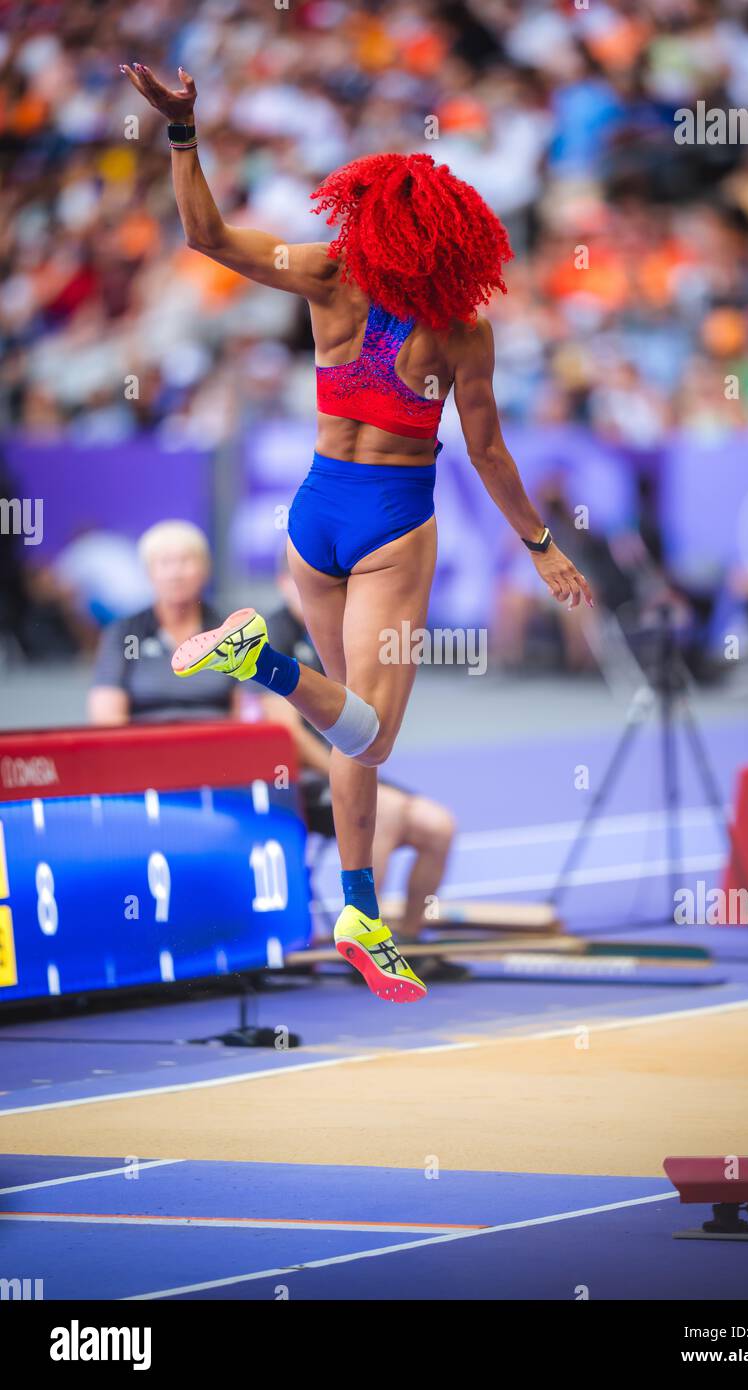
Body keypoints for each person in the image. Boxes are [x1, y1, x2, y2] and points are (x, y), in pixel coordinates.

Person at [121, 62, 592, 1003]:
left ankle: (360, 911)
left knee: (346, 727)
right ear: (456, 237)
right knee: (370, 735)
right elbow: (491, 455)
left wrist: (182, 131)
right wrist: (543, 547)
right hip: (389, 523)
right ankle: (261, 661)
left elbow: (202, 234)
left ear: (367, 216)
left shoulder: (326, 273)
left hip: (313, 515)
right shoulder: (461, 330)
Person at [259, 569, 465, 983]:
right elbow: (283, 729)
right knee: (387, 811)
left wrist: (361, 757)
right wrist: (349, 760)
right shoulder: (276, 635)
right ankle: (369, 941)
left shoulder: (346, 626)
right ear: (286, 584)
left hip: (357, 762)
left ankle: (407, 939)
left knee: (438, 826)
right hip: (300, 779)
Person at [88, 520, 237, 725]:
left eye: (186, 561)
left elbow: (249, 712)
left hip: (220, 747)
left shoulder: (230, 631)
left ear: (205, 570)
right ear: (148, 573)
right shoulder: (124, 633)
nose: (175, 574)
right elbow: (107, 718)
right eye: (164, 563)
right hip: (144, 751)